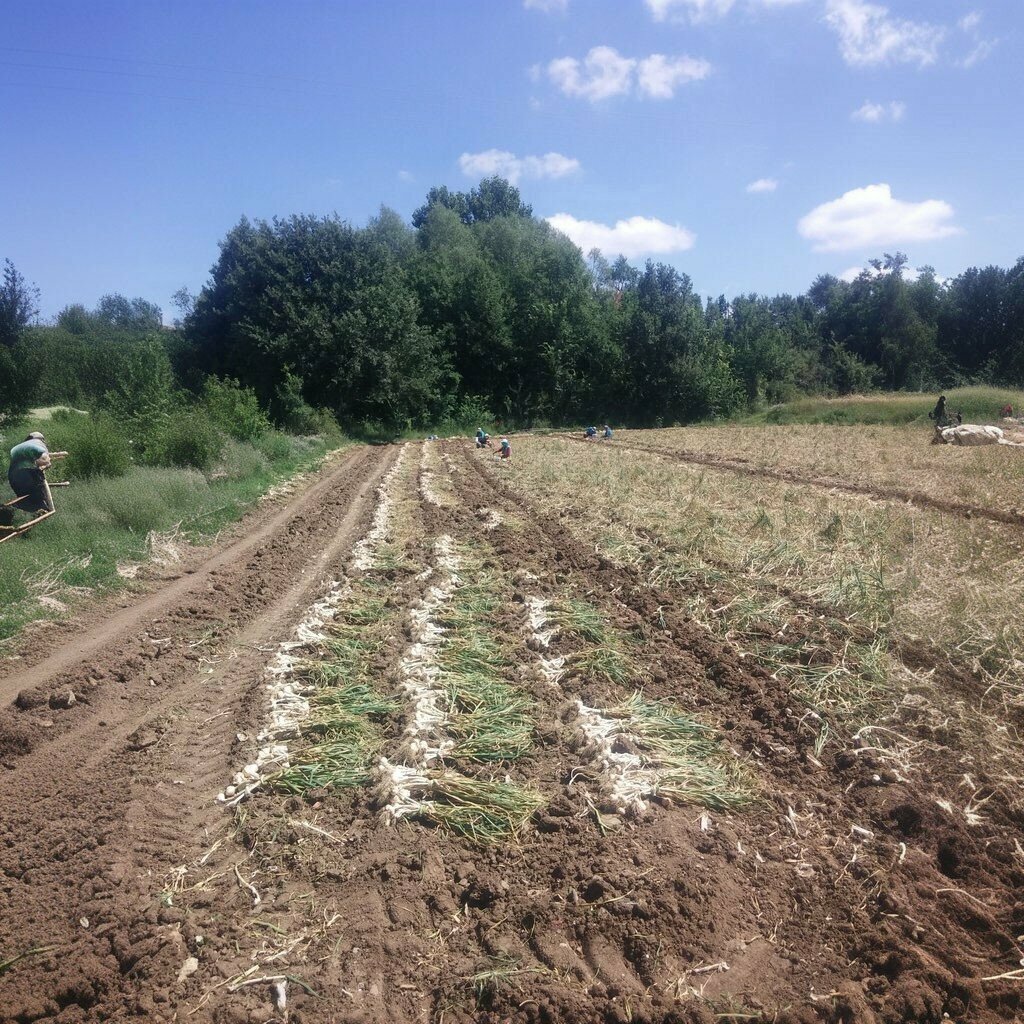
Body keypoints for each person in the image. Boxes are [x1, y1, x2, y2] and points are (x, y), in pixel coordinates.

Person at [8, 431, 67, 514]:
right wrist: (46, 465)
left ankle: (14, 510)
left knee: (23, 495)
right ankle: (43, 510)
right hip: (28, 473)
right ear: (42, 439)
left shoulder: (22, 446)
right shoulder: (41, 445)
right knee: (37, 494)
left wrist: (57, 455)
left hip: (12, 475)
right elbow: (45, 461)